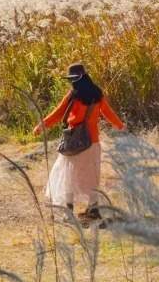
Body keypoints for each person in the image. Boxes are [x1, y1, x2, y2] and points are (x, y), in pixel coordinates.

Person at [33, 62, 124, 221]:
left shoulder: (73, 95)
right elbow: (108, 113)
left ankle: (69, 212)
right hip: (92, 143)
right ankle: (93, 211)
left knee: (68, 176)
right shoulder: (97, 94)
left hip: (74, 142)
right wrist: (120, 126)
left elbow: (57, 113)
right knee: (92, 177)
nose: (70, 82)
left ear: (75, 79)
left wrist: (41, 126)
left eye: (71, 79)